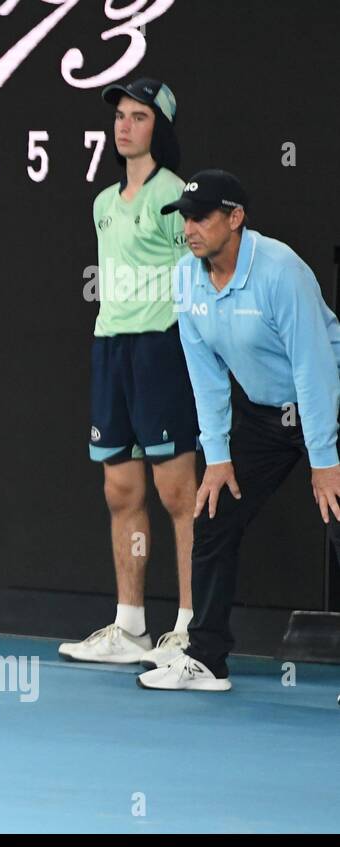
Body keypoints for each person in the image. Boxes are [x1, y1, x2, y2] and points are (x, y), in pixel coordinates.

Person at [138, 169, 340, 691]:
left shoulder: (280, 270)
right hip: (262, 413)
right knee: (213, 512)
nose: (190, 228)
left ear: (235, 218)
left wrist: (324, 458)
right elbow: (203, 372)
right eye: (184, 218)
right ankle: (206, 657)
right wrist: (218, 453)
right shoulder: (186, 276)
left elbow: (313, 366)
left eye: (202, 216)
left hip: (325, 398)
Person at [58, 78, 199, 666]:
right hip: (110, 348)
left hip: (160, 349)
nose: (124, 125)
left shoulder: (175, 196)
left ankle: (191, 627)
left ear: (157, 127)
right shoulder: (101, 204)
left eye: (138, 117)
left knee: (178, 495)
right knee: (122, 490)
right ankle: (132, 626)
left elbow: (195, 279)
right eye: (120, 115)